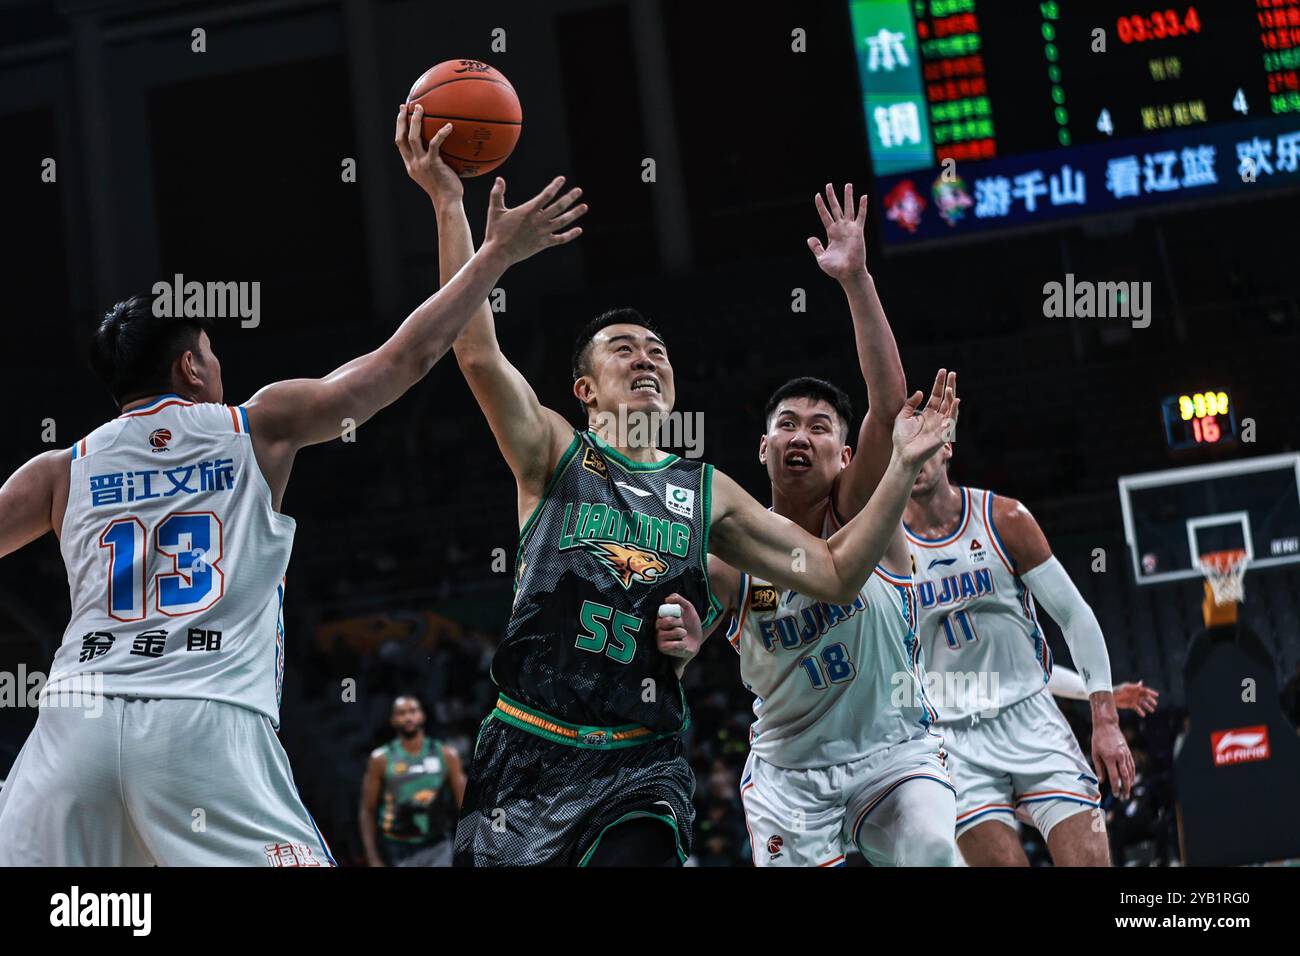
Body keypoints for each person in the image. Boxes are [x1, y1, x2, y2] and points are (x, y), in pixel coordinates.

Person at [0, 115, 584, 865]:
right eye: (211, 351)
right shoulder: (257, 424)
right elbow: (407, 358)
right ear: (189, 368)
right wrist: (490, 245)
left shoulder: (59, 470)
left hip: (69, 731)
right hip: (202, 723)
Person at [398, 108, 959, 866]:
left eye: (657, 351)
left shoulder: (710, 494)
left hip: (641, 761)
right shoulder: (552, 454)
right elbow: (473, 349)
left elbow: (829, 573)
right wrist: (450, 207)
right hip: (528, 743)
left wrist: (896, 466)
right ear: (584, 389)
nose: (646, 359)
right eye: (623, 350)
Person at [689, 185, 957, 866]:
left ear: (845, 454)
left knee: (930, 849)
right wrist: (680, 630)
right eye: (785, 425)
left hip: (892, 753)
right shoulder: (732, 547)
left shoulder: (863, 503)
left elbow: (890, 401)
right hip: (789, 777)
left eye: (818, 427)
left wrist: (857, 280)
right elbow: (690, 626)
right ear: (763, 449)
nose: (799, 435)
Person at [904, 442, 1137, 866]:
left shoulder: (1004, 519)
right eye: (902, 449)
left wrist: (1105, 720)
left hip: (1032, 718)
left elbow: (1074, 616)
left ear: (946, 449)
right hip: (952, 737)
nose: (913, 459)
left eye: (924, 447)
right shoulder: (883, 549)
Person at [360, 695, 466, 866]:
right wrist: (373, 858)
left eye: (413, 711)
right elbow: (368, 810)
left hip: (438, 845)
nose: (408, 717)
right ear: (392, 720)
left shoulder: (447, 755)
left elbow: (465, 805)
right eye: (401, 713)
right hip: (397, 848)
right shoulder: (380, 759)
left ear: (422, 715)